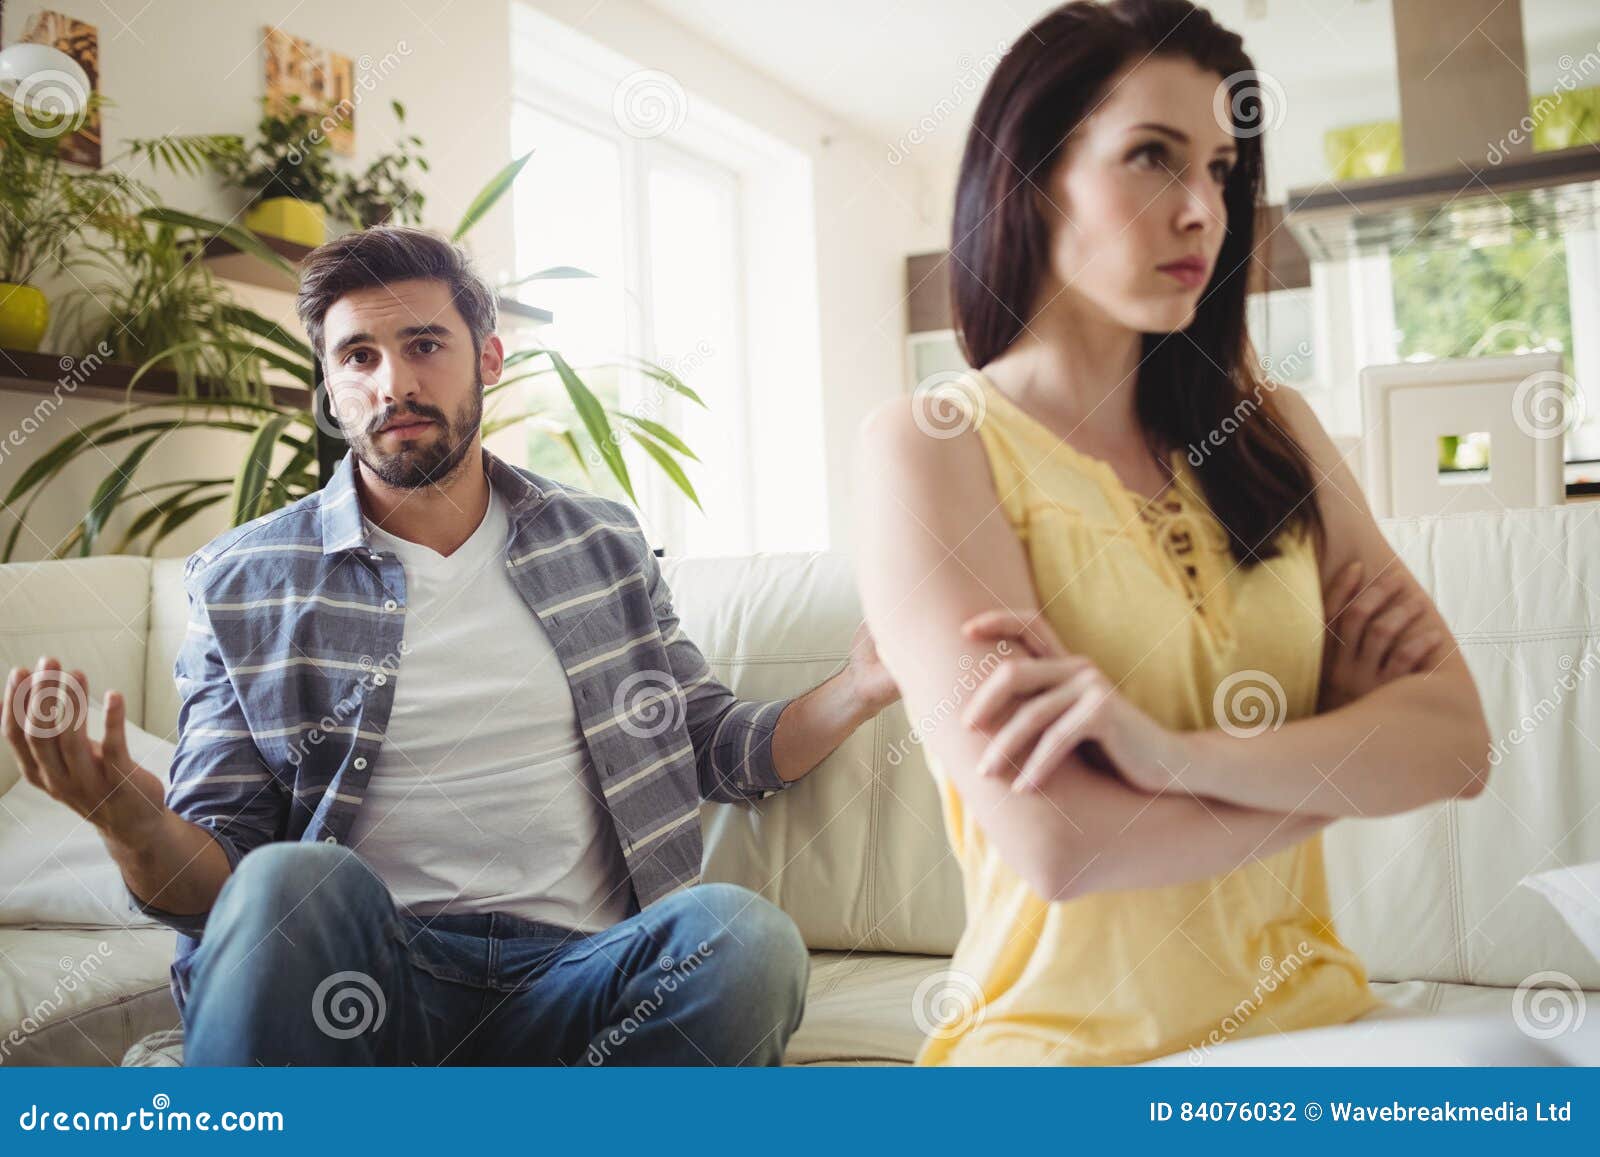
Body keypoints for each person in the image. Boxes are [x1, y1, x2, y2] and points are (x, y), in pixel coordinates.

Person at [5, 225, 900, 1066]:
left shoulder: (598, 542)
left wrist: (859, 685)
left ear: (490, 360)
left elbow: (716, 747)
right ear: (330, 387)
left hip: (581, 983)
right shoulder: (246, 579)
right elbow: (219, 883)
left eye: (425, 344)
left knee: (740, 938)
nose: (393, 381)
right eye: (359, 355)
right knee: (288, 883)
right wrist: (124, 816)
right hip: (367, 985)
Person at [855, 0, 1506, 1066]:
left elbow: (1457, 742)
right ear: (1030, 174)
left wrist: (1162, 756)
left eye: (1220, 167)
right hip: (1060, 1059)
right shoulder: (928, 444)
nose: (1202, 207)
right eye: (1152, 158)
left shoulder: (1274, 431)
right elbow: (1061, 842)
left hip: (1323, 1033)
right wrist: (1343, 762)